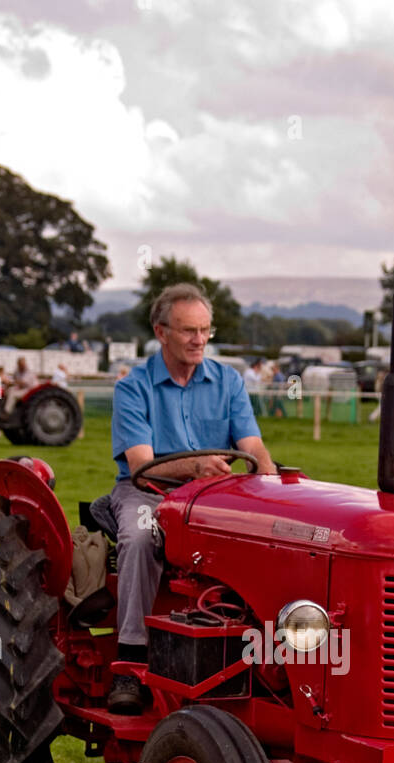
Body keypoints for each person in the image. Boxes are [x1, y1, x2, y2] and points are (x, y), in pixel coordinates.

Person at [108, 282, 276, 713]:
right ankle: (130, 663)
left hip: (214, 495)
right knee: (142, 537)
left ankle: (261, 658)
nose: (198, 340)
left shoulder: (228, 381)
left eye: (204, 330)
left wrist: (269, 477)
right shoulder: (134, 388)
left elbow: (252, 446)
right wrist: (194, 467)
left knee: (273, 537)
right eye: (187, 331)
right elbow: (142, 465)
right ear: (161, 332)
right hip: (148, 494)